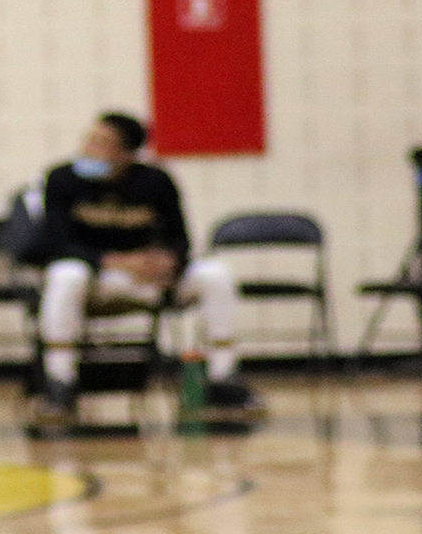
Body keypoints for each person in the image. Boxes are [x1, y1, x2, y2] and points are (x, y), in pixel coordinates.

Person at [33, 112, 257, 420]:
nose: (88, 148)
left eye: (101, 143)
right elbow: (55, 244)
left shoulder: (156, 181)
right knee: (64, 275)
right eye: (89, 140)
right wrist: (117, 261)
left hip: (148, 279)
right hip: (99, 278)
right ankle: (60, 382)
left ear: (127, 154)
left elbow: (180, 238)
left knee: (216, 275)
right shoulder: (61, 179)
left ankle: (223, 377)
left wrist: (168, 262)